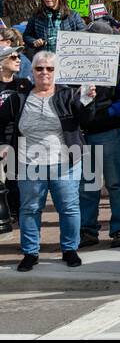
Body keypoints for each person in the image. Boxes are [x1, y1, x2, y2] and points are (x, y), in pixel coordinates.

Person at [11, 52, 94, 270]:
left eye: (49, 69)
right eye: (39, 68)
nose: (44, 73)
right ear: (32, 71)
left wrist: (86, 101)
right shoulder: (20, 96)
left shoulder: (67, 95)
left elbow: (86, 120)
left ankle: (69, 249)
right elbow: (4, 124)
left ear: (56, 72)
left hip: (64, 162)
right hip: (28, 163)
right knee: (29, 208)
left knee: (69, 208)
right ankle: (30, 252)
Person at [78, 20, 120, 249]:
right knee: (88, 185)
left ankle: (119, 230)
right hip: (83, 133)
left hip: (109, 132)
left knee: (116, 184)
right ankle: (87, 230)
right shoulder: (79, 62)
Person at [0, 43, 34, 232]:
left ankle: (21, 219)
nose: (18, 60)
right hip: (2, 139)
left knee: (18, 183)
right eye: (13, 57)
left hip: (21, 140)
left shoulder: (24, 84)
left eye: (18, 57)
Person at [22, 0, 86, 56]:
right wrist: (34, 41)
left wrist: (69, 41)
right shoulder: (37, 16)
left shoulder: (72, 15)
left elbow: (83, 34)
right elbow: (26, 36)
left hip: (67, 58)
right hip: (44, 59)